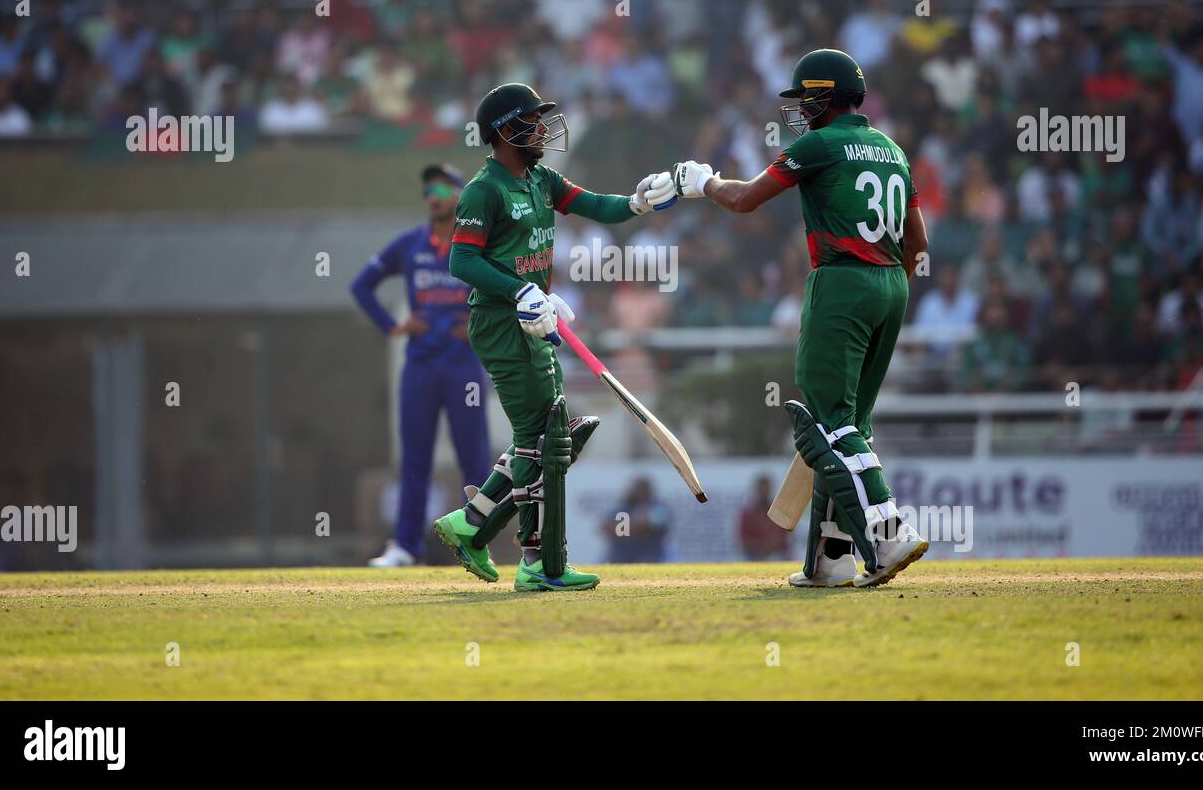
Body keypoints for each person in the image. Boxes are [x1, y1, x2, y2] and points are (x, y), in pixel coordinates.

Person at [671, 49, 929, 589]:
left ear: (825, 97)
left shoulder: (817, 143)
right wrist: (890, 289)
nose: (798, 110)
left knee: (828, 421)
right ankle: (828, 561)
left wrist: (703, 183)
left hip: (843, 281)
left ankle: (887, 531)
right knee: (848, 425)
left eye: (805, 98)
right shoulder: (892, 149)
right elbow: (917, 240)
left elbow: (743, 201)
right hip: (893, 283)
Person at [431, 83, 676, 591]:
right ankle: (536, 563)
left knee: (543, 435)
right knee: (543, 439)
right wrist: (521, 291)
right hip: (501, 324)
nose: (543, 130)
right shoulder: (485, 189)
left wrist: (636, 203)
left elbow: (596, 207)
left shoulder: (540, 178)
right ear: (503, 133)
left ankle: (472, 521)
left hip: (532, 318)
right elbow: (462, 259)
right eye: (532, 121)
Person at [351, 165, 492, 567]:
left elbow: (512, 282)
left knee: (475, 460)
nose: (434, 194)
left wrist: (481, 324)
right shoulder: (411, 245)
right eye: (429, 187)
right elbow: (362, 286)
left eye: (443, 188)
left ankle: (479, 542)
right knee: (415, 458)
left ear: (460, 197)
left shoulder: (477, 246)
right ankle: (406, 546)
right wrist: (392, 326)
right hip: (420, 367)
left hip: (463, 368)